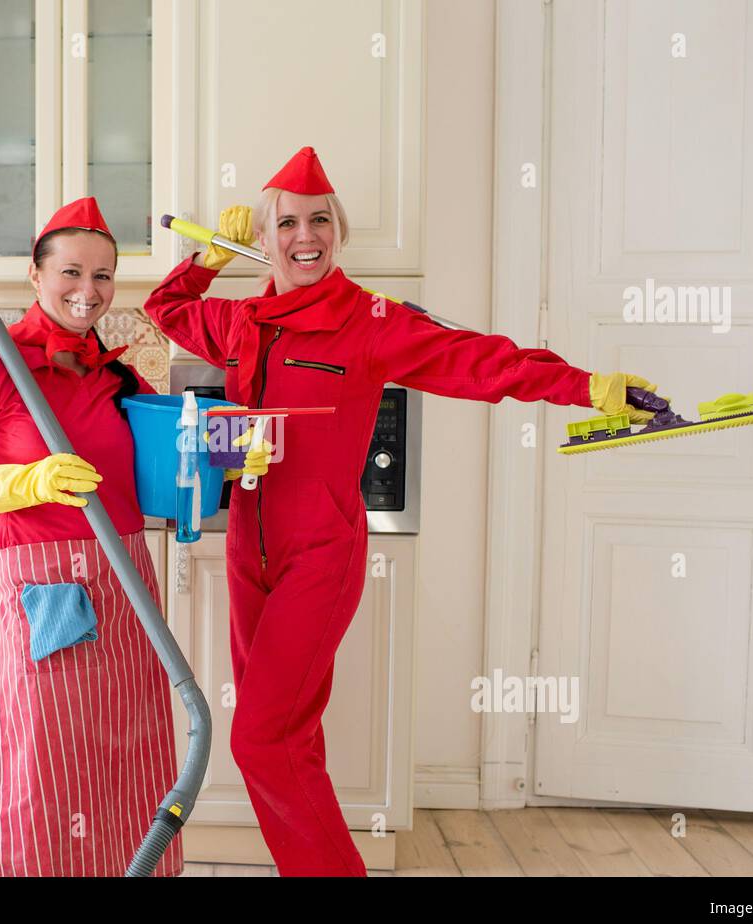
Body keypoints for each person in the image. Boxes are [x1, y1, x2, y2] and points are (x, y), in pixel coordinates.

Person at [143, 146, 663, 876]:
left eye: (319, 219)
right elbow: (165, 310)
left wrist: (587, 386)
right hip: (246, 552)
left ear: (339, 232)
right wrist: (200, 259)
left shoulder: (371, 321)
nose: (305, 235)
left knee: (260, 738)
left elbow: (484, 360)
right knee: (288, 736)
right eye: (286, 222)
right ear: (261, 239)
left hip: (320, 552)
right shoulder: (241, 321)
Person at [0, 197, 183, 877]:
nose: (87, 291)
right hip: (52, 589)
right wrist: (19, 484)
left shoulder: (122, 379)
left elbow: (154, 480)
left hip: (128, 583)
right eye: (71, 272)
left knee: (132, 751)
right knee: (50, 759)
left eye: (102, 276)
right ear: (36, 277)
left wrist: (217, 466)